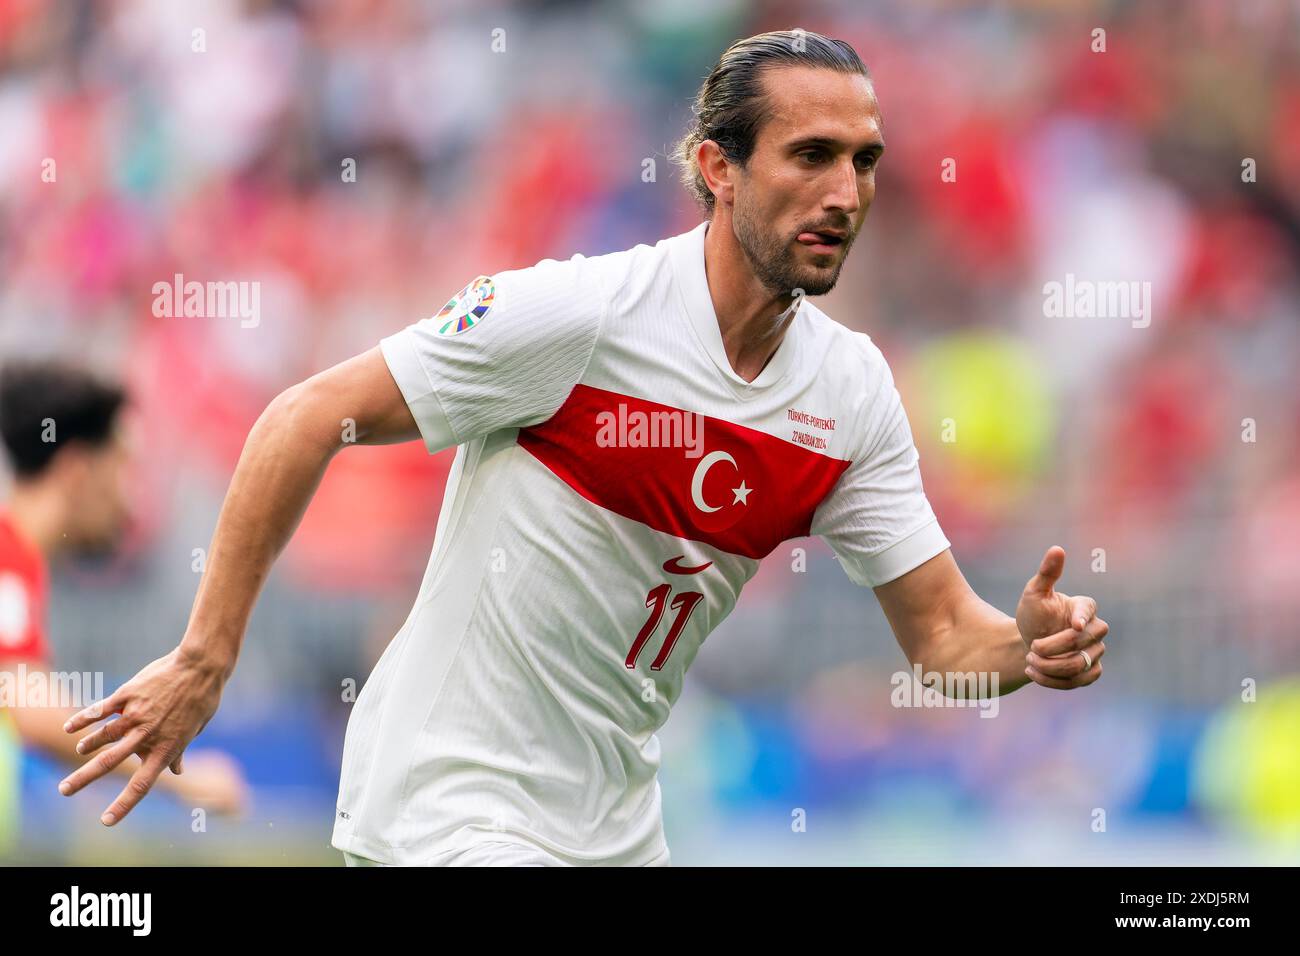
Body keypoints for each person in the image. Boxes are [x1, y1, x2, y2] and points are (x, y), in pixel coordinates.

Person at [58, 30, 1107, 866]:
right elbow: (302, 416)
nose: (846, 191)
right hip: (448, 802)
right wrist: (206, 654)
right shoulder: (576, 315)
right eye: (811, 156)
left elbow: (942, 642)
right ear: (716, 168)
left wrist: (1029, 647)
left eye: (864, 161)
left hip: (612, 828)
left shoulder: (851, 395)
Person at [0, 361, 246, 834]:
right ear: (76, 469)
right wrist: (183, 776)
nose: (131, 501)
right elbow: (32, 710)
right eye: (122, 468)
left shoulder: (22, 566)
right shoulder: (7, 559)